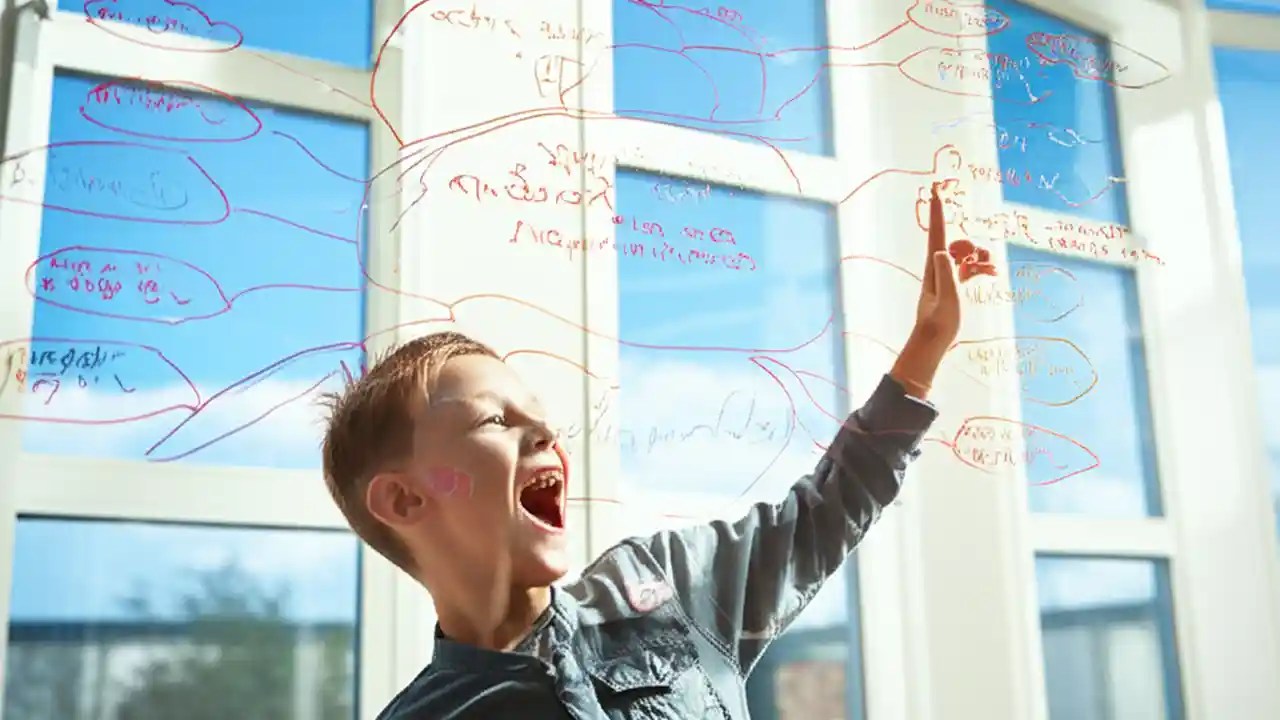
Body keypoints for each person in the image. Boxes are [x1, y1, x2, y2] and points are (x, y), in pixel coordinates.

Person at [320, 186, 961, 719]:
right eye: (495, 419)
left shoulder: (664, 587)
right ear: (404, 500)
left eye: (538, 413)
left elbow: (821, 515)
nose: (545, 431)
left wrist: (924, 351)